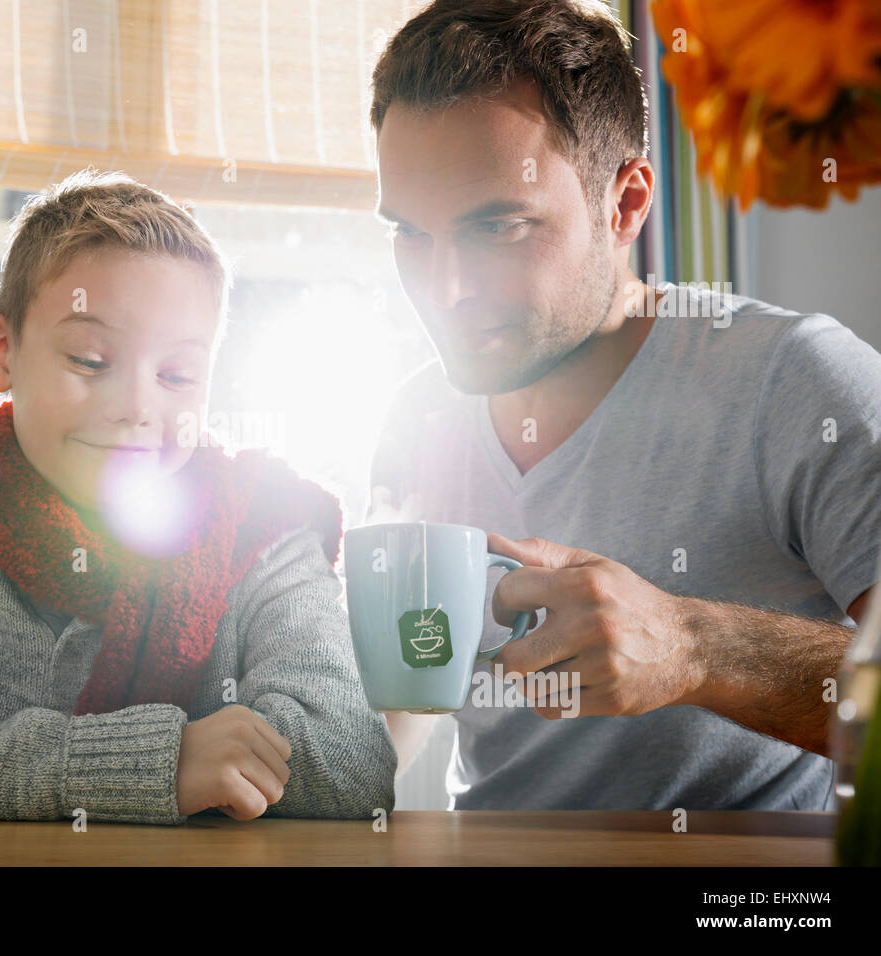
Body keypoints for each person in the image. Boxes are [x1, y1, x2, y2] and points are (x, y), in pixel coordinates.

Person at [0, 169, 397, 824]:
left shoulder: (269, 532)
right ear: (1, 351)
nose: (136, 407)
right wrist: (156, 764)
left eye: (177, 373)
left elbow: (349, 766)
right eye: (91, 360)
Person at [367, 0, 880, 810]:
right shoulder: (415, 417)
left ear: (627, 204)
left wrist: (695, 648)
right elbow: (406, 700)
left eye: (497, 226)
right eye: (410, 235)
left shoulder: (795, 381)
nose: (446, 292)